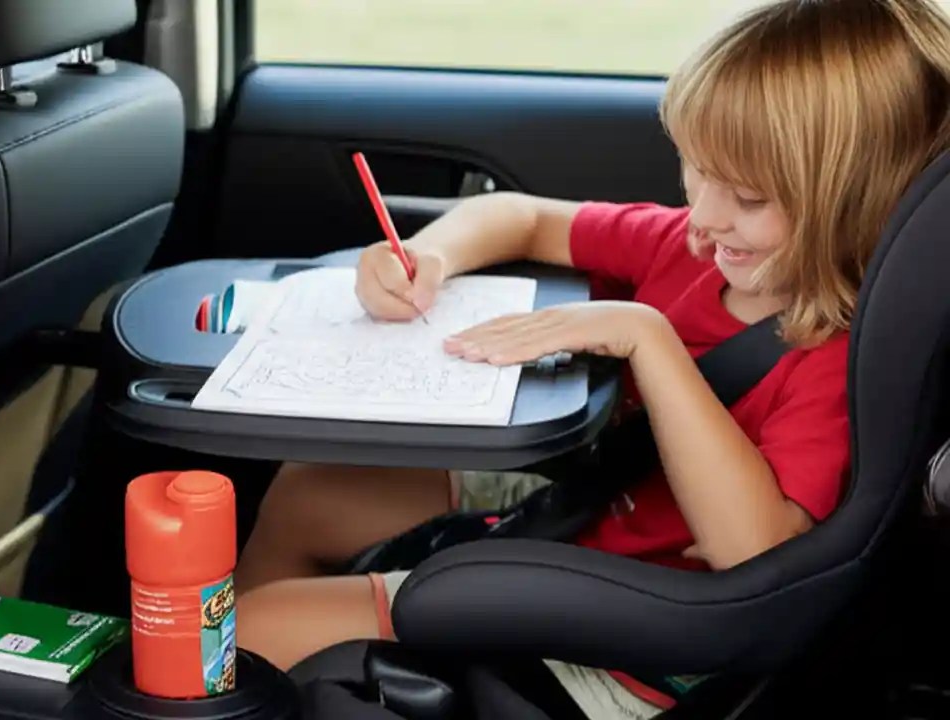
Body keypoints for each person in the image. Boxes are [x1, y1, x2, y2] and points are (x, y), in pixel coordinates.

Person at [232, 0, 950, 717]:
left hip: (623, 627)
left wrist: (648, 339)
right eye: (696, 172)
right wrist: (429, 256)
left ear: (854, 202)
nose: (703, 214)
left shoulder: (829, 360)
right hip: (583, 509)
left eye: (749, 196)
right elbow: (523, 215)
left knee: (260, 626)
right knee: (307, 493)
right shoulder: (693, 250)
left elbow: (754, 555)